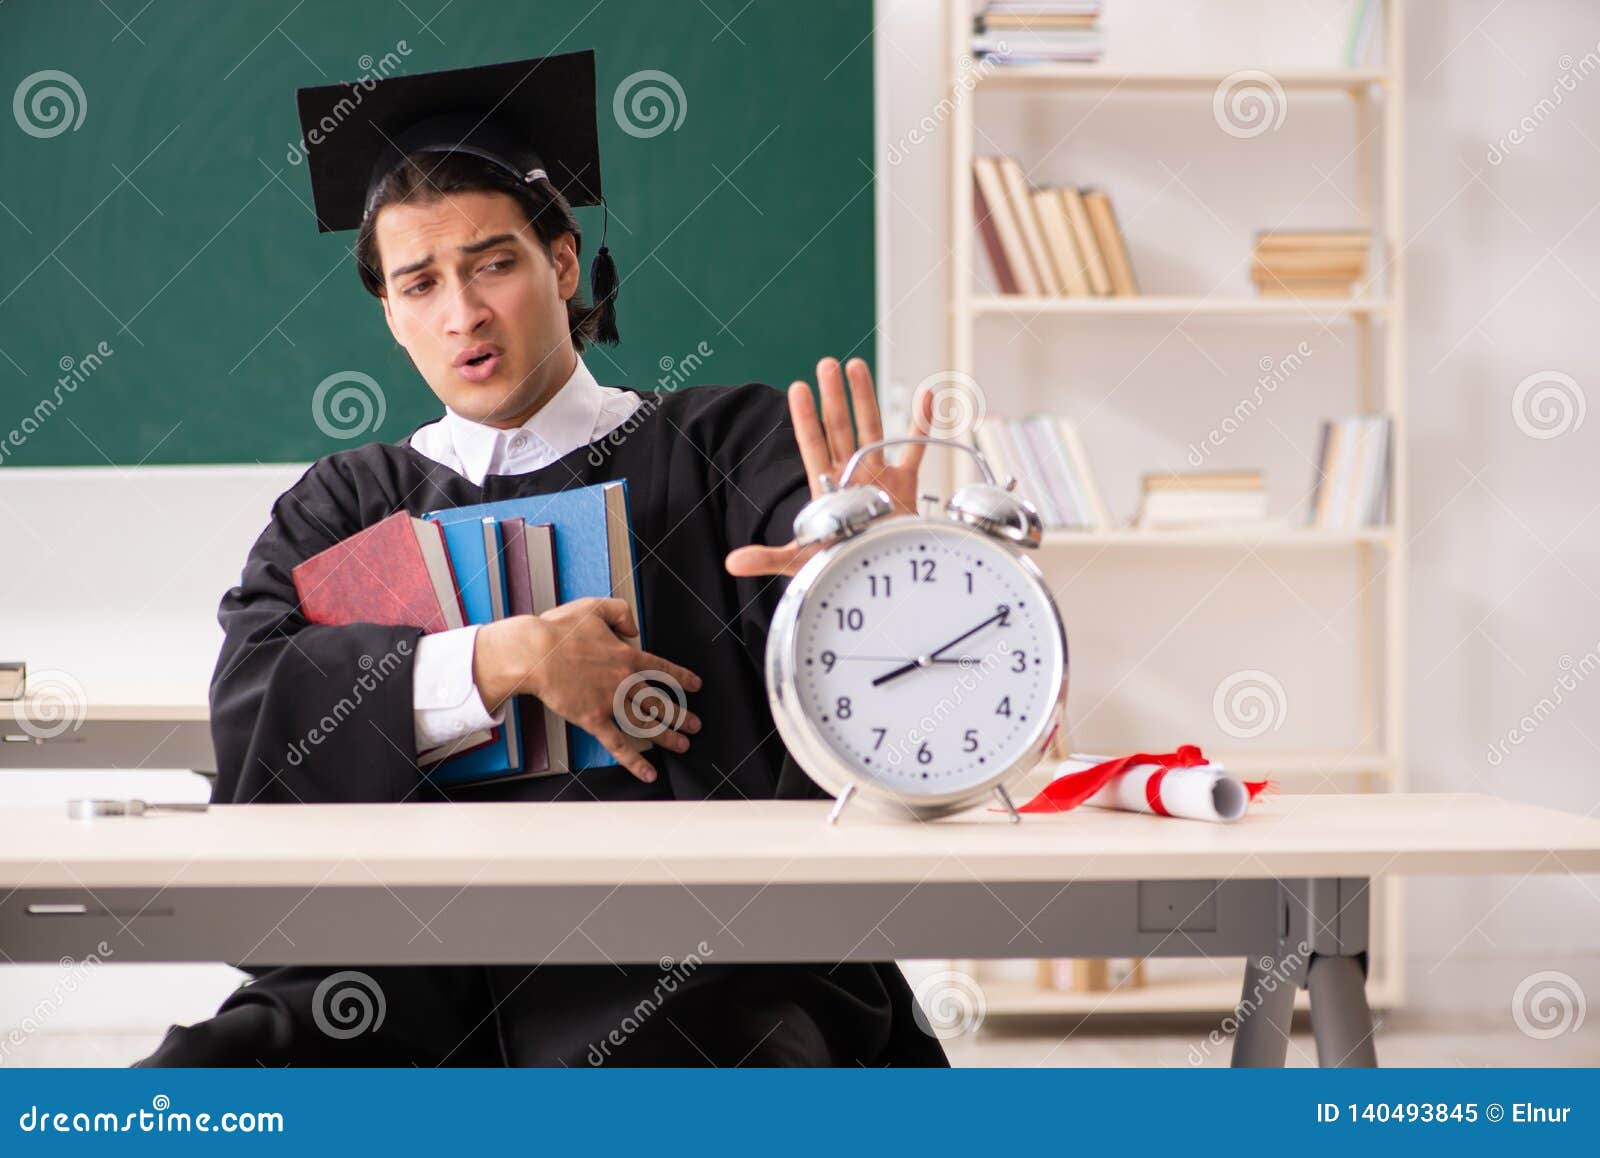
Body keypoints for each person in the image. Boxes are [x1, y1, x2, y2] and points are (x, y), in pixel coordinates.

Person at [135, 51, 947, 1067]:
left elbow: (891, 672)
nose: (462, 313)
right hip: (399, 972)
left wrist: (881, 564)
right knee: (194, 1089)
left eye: (493, 263)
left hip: (698, 957)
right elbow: (258, 699)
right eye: (419, 282)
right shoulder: (343, 504)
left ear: (561, 265)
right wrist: (500, 660)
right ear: (389, 312)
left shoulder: (730, 447)